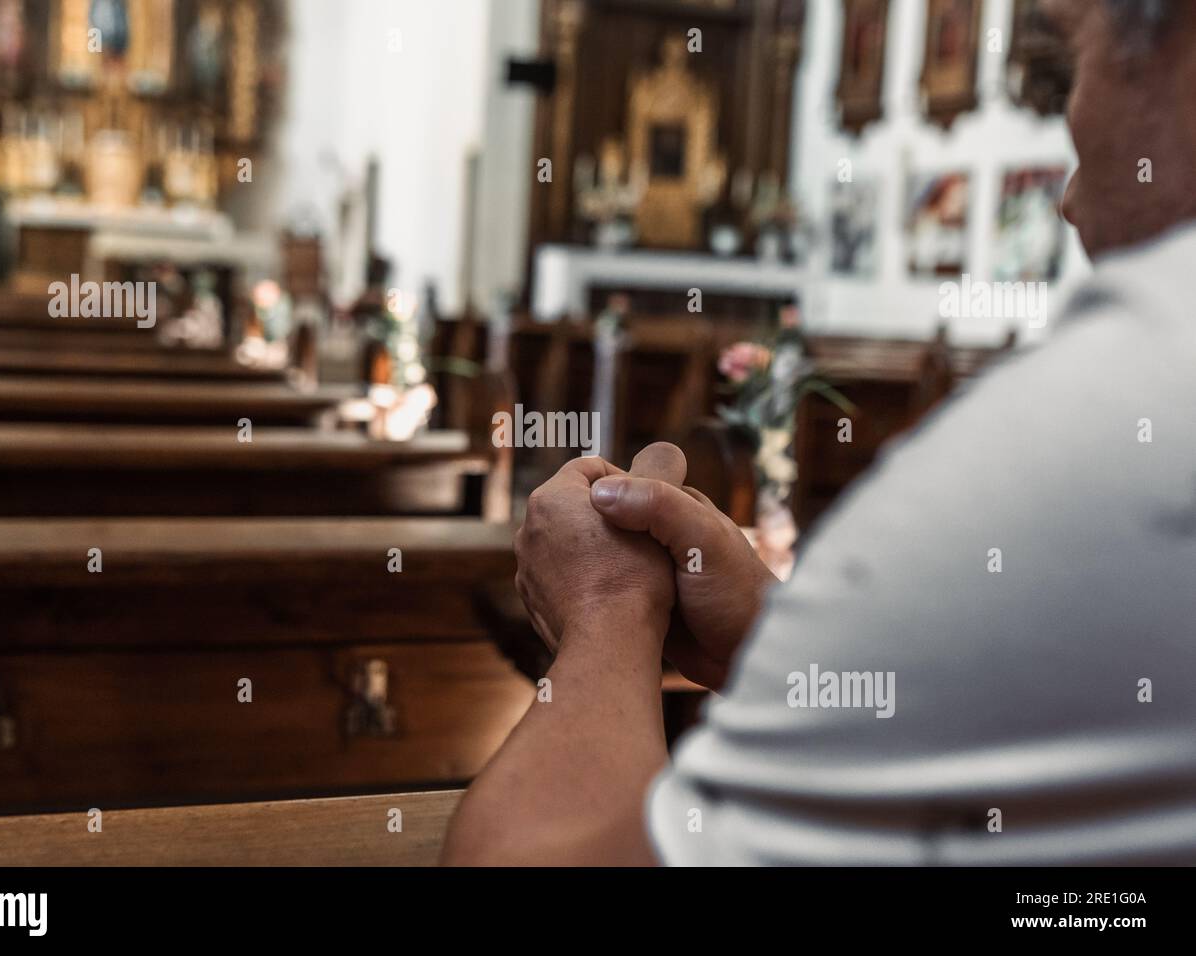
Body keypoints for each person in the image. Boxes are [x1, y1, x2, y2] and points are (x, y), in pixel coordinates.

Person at [441, 0, 1196, 866]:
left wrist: (610, 610)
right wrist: (781, 633)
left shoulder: (1098, 434)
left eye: (1073, 56)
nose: (1065, 198)